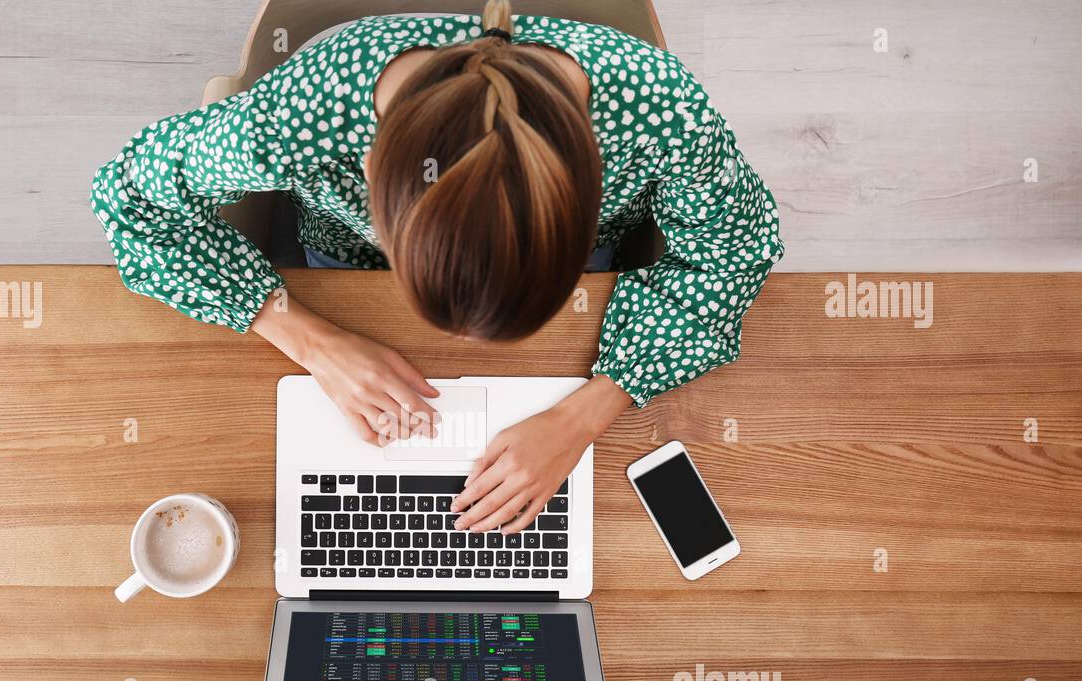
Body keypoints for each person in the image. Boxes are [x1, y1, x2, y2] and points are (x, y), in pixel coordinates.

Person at [91, 0, 783, 535]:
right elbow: (128, 194)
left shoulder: (664, 113)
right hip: (342, 265)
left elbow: (735, 249)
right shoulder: (303, 114)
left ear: (593, 185)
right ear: (367, 172)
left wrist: (584, 416)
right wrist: (307, 337)